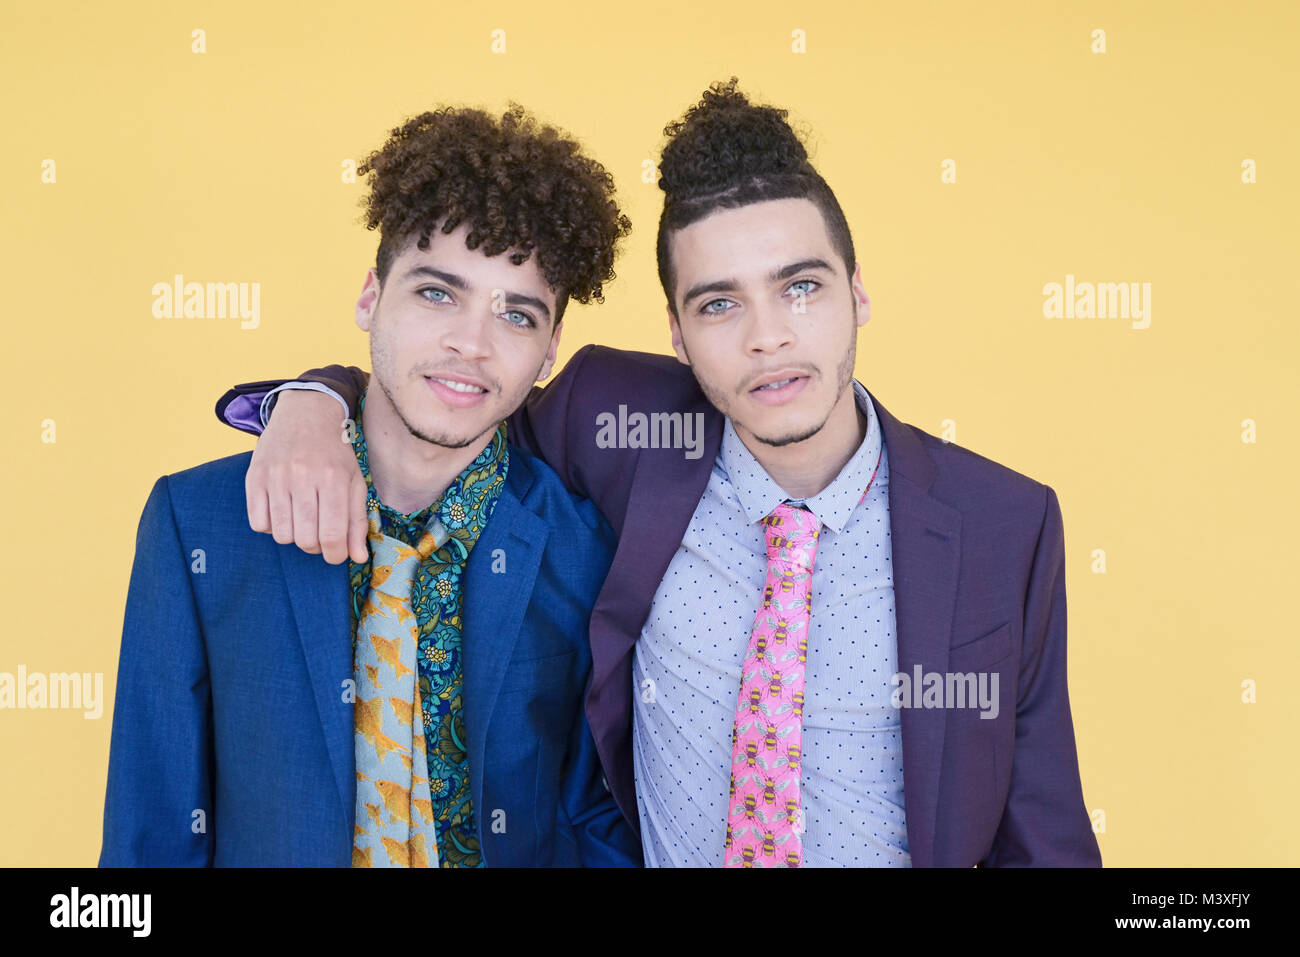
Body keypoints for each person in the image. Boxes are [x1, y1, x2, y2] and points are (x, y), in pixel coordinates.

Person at [214, 79, 1102, 867]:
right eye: (720, 303)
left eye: (800, 287)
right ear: (676, 332)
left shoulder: (1003, 524)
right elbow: (452, 397)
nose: (767, 336)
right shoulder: (622, 428)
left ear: (857, 291)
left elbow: (1044, 833)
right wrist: (313, 400)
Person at [100, 103, 641, 867]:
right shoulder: (199, 526)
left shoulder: (582, 547)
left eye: (516, 316)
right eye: (437, 293)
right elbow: (151, 834)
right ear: (369, 297)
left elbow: (595, 814)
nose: (471, 344)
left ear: (550, 350)